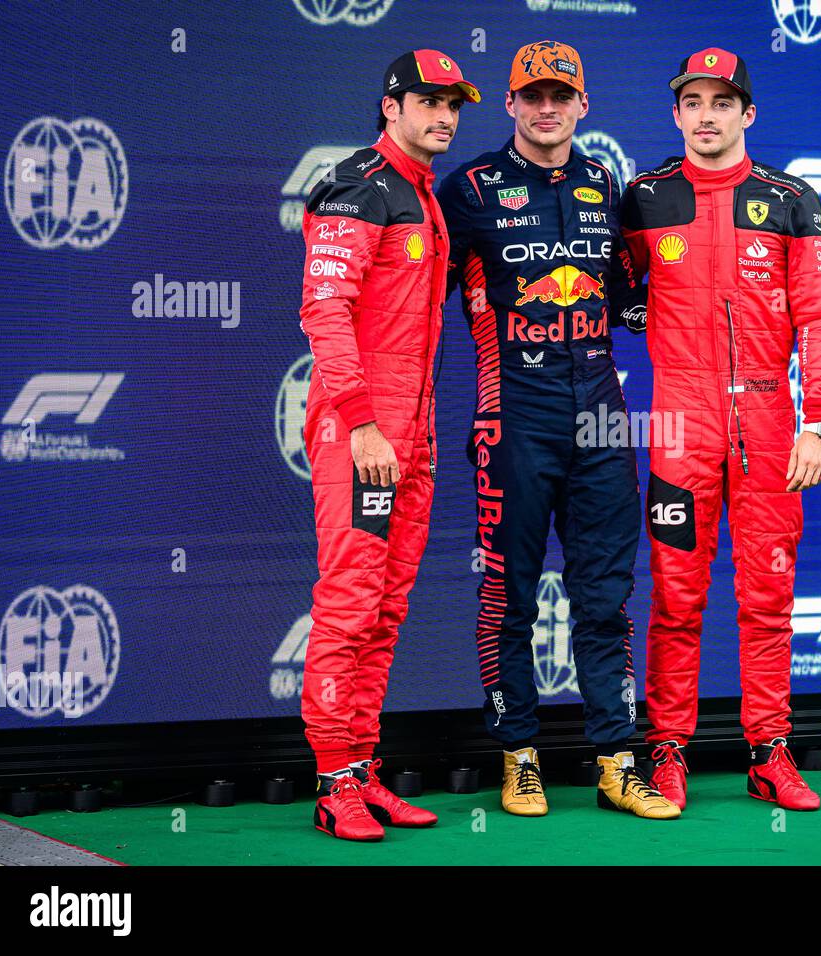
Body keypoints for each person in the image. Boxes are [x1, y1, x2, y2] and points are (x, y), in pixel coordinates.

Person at [436, 40, 676, 820]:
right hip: (514, 414)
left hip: (601, 411)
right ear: (509, 104)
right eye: (532, 96)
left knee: (604, 595)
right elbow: (414, 294)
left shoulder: (606, 184)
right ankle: (520, 756)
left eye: (560, 95)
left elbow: (633, 295)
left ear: (582, 104)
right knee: (511, 596)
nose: (547, 108)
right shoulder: (467, 189)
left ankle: (616, 760)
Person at [618, 48, 821, 812]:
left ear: (748, 113)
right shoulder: (644, 198)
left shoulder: (790, 199)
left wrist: (818, 421)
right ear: (676, 113)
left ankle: (768, 752)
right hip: (680, 422)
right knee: (676, 597)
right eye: (693, 102)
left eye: (722, 102)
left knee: (768, 597)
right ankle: (668, 753)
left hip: (770, 425)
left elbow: (818, 315)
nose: (706, 116)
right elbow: (611, 297)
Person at [298, 49, 480, 841]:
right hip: (362, 430)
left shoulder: (421, 194)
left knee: (387, 604)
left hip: (414, 429)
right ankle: (333, 777)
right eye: (429, 103)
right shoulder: (360, 185)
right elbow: (326, 311)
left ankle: (361, 766)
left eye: (453, 106)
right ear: (392, 105)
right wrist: (364, 420)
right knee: (348, 603)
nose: (443, 117)